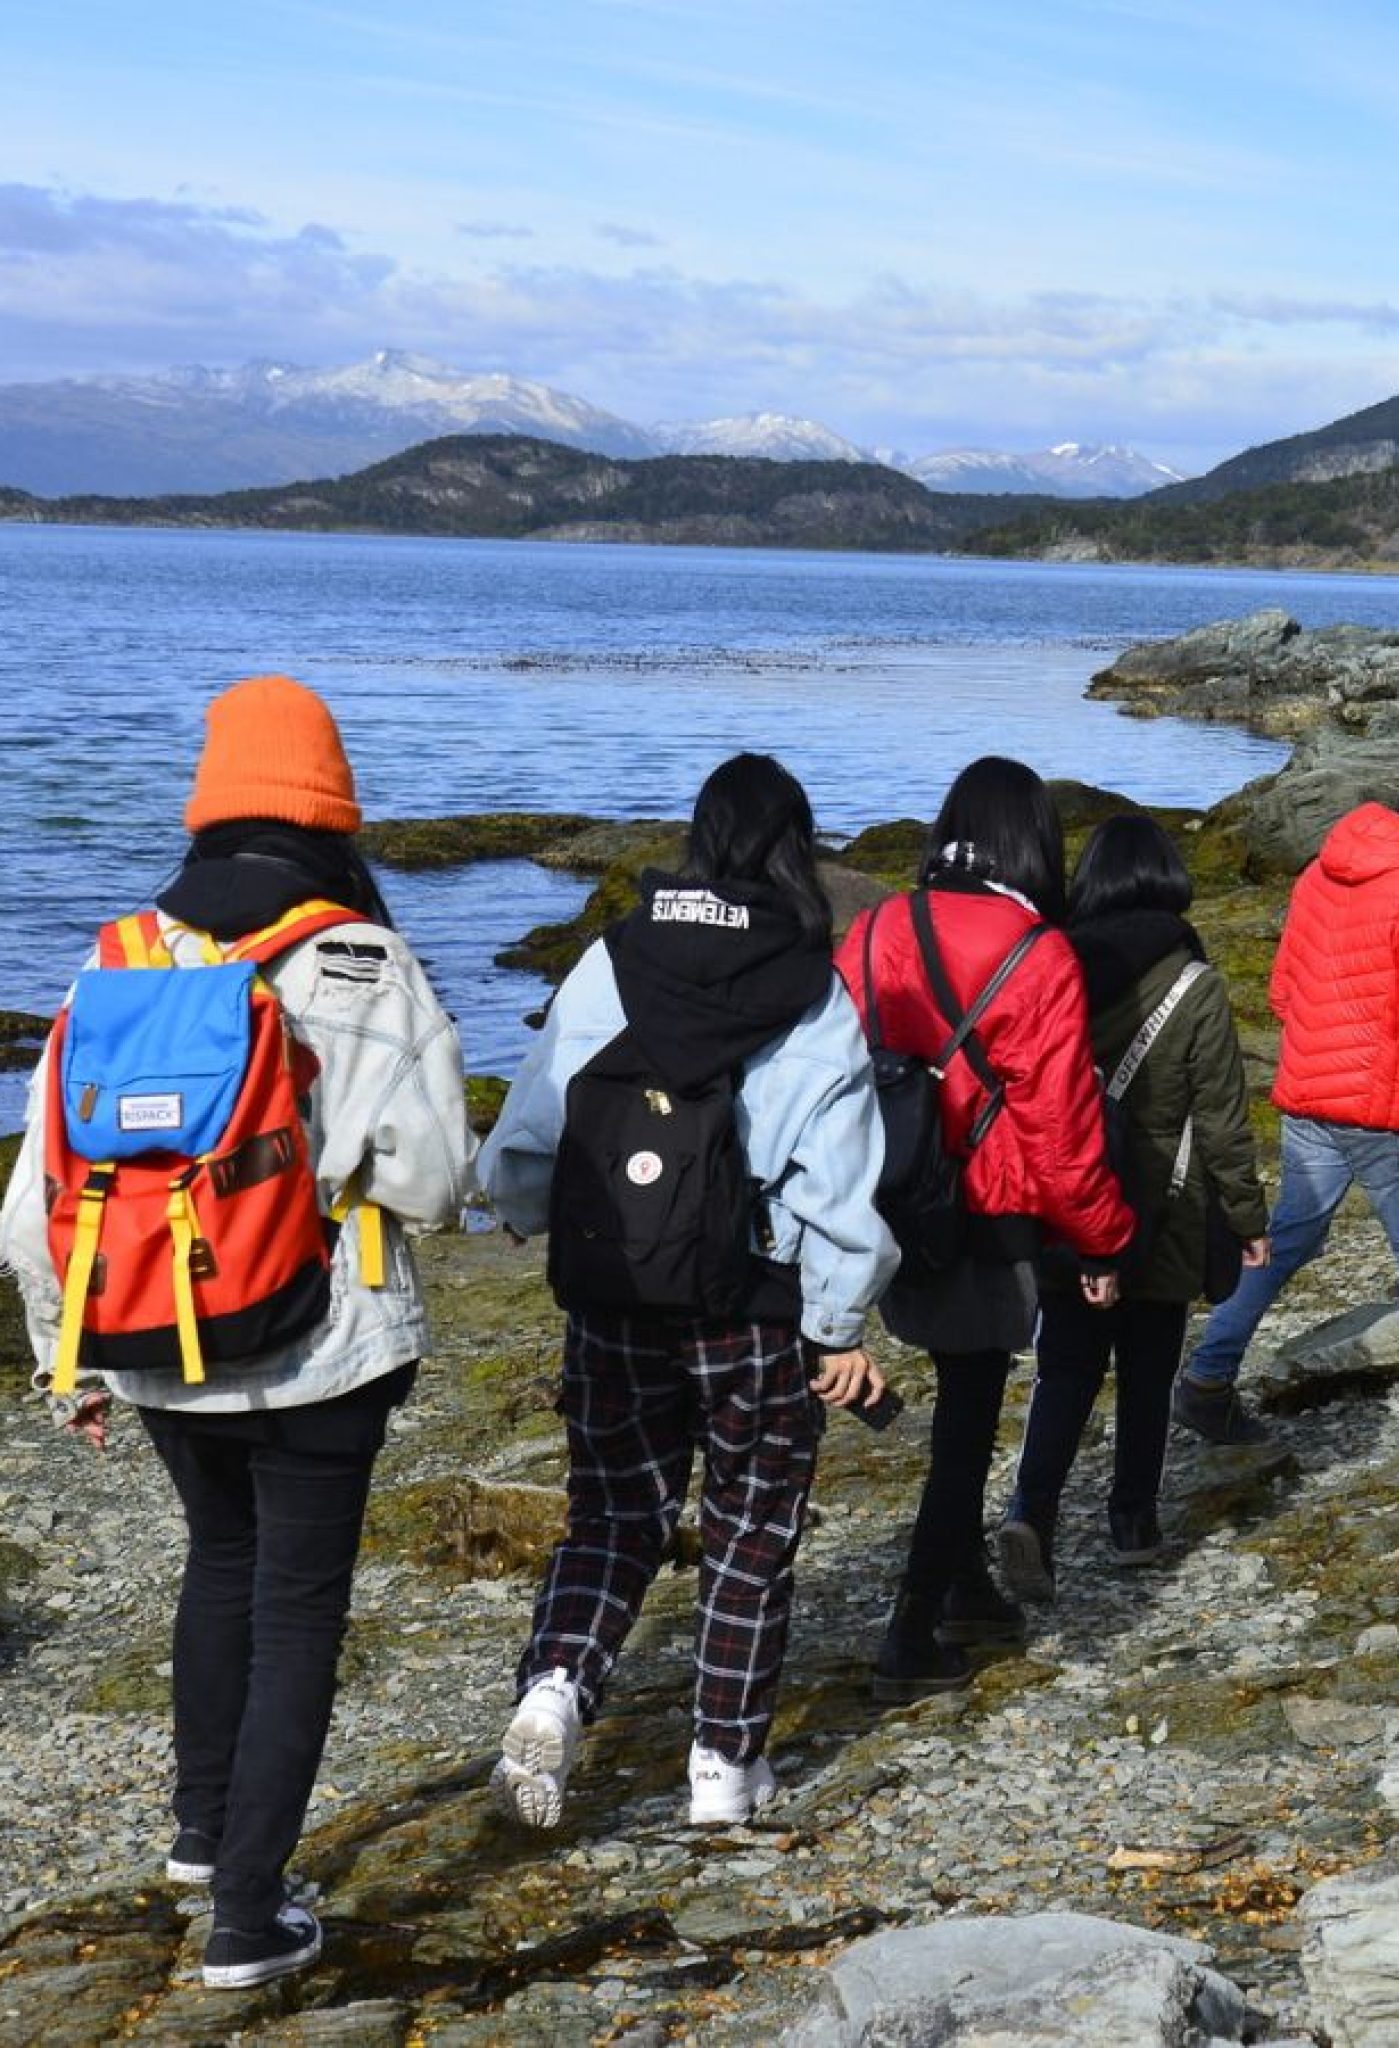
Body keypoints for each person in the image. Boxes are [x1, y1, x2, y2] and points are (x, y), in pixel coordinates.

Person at [0, 673, 473, 1990]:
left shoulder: (123, 956)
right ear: (332, 808)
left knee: (218, 1567)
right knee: (297, 1609)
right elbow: (432, 1177)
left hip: (154, 1337)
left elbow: (42, 1194)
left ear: (208, 802)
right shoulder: (360, 957)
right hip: (321, 1343)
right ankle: (250, 1918)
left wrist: (66, 1355)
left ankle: (203, 1842)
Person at [477, 752, 897, 1830]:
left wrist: (524, 1206)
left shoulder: (613, 957)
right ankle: (722, 1766)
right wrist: (839, 1319)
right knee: (750, 1527)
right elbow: (836, 1172)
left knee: (614, 1512)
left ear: (698, 840)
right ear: (791, 849)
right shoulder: (812, 982)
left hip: (615, 1281)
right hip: (750, 1301)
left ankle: (555, 1685)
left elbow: (535, 1121)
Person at [836, 756, 1133, 1701]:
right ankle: (913, 1630)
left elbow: (827, 1068)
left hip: (883, 1194)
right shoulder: (1036, 950)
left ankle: (962, 1585)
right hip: (985, 1209)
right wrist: (1100, 1239)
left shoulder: (879, 923)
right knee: (967, 1421)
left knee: (959, 1401)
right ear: (1032, 840)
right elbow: (1062, 1123)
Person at [1174, 751, 1399, 1442]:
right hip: (1390, 1107)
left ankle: (1205, 1378)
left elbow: (1280, 990)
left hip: (1310, 1093)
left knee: (1286, 1241)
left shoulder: (1321, 869)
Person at [996, 815, 1268, 1599]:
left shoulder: (1054, 968)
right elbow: (1221, 1120)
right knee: (1148, 1373)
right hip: (1166, 1207)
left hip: (1070, 1203)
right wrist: (1248, 1220)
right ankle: (1132, 1523)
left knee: (1065, 1373)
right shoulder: (1194, 984)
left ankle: (1031, 1512)